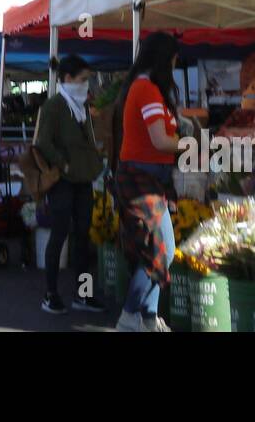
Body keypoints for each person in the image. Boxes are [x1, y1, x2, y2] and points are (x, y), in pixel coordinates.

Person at [111, 33, 181, 332]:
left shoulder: (145, 88)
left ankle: (148, 317)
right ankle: (130, 316)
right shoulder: (146, 89)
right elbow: (160, 140)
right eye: (174, 59)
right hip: (142, 180)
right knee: (159, 251)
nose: (177, 64)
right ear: (165, 60)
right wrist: (193, 144)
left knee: (159, 248)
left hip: (148, 180)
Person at [34, 55, 105, 315]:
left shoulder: (82, 107)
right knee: (60, 236)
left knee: (83, 238)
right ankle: (50, 293)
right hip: (63, 182)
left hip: (84, 180)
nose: (86, 85)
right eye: (82, 79)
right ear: (67, 79)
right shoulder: (54, 106)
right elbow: (43, 142)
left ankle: (82, 294)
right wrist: (63, 164)